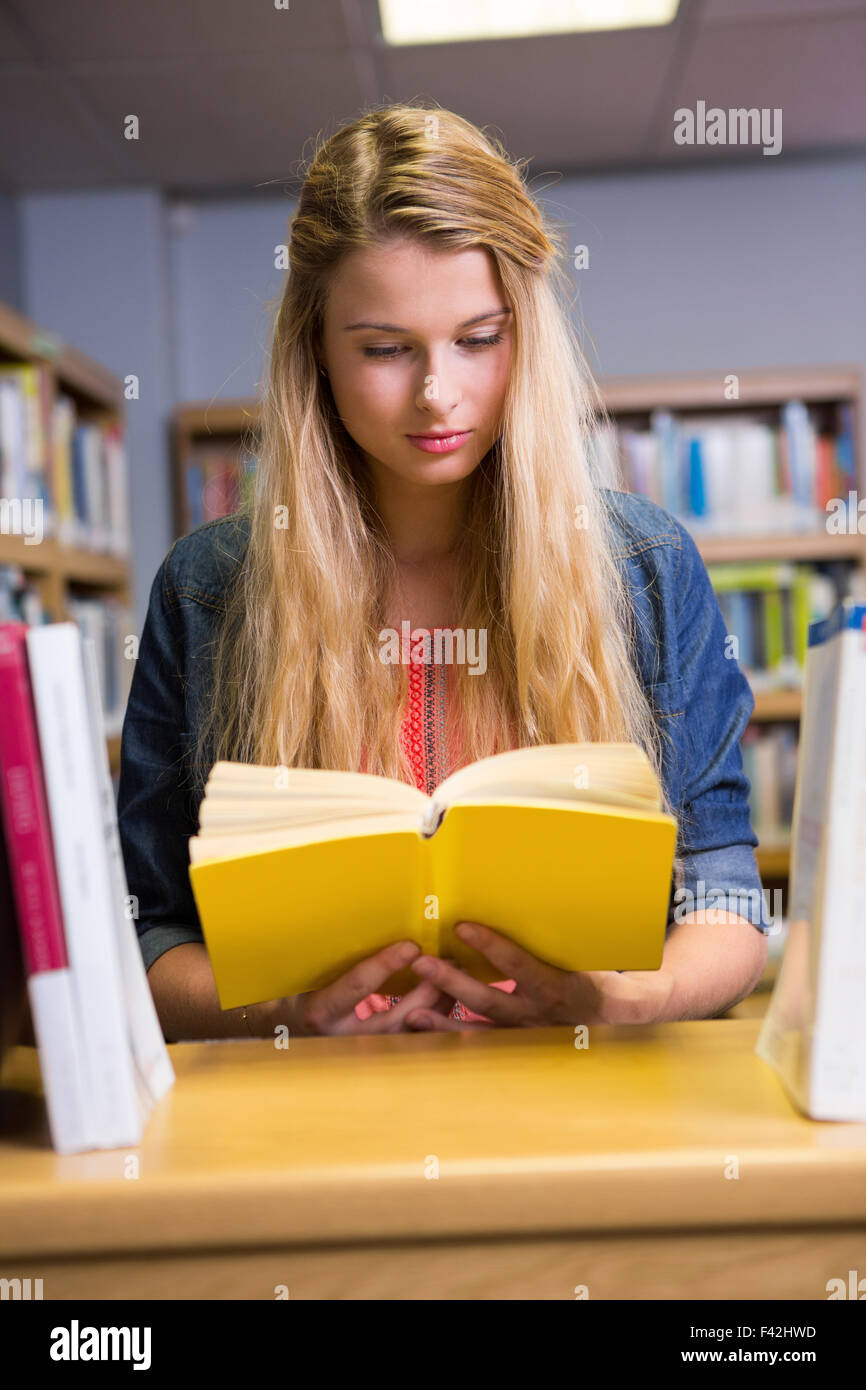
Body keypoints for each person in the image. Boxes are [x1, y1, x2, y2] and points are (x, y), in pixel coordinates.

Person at [117, 102, 770, 1042]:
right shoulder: (206, 591)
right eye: (384, 349)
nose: (437, 392)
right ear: (316, 354)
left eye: (479, 339)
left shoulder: (647, 568)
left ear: (528, 336)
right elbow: (149, 934)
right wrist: (276, 1011)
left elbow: (729, 900)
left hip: (578, 1103)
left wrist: (631, 998)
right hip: (309, 1121)